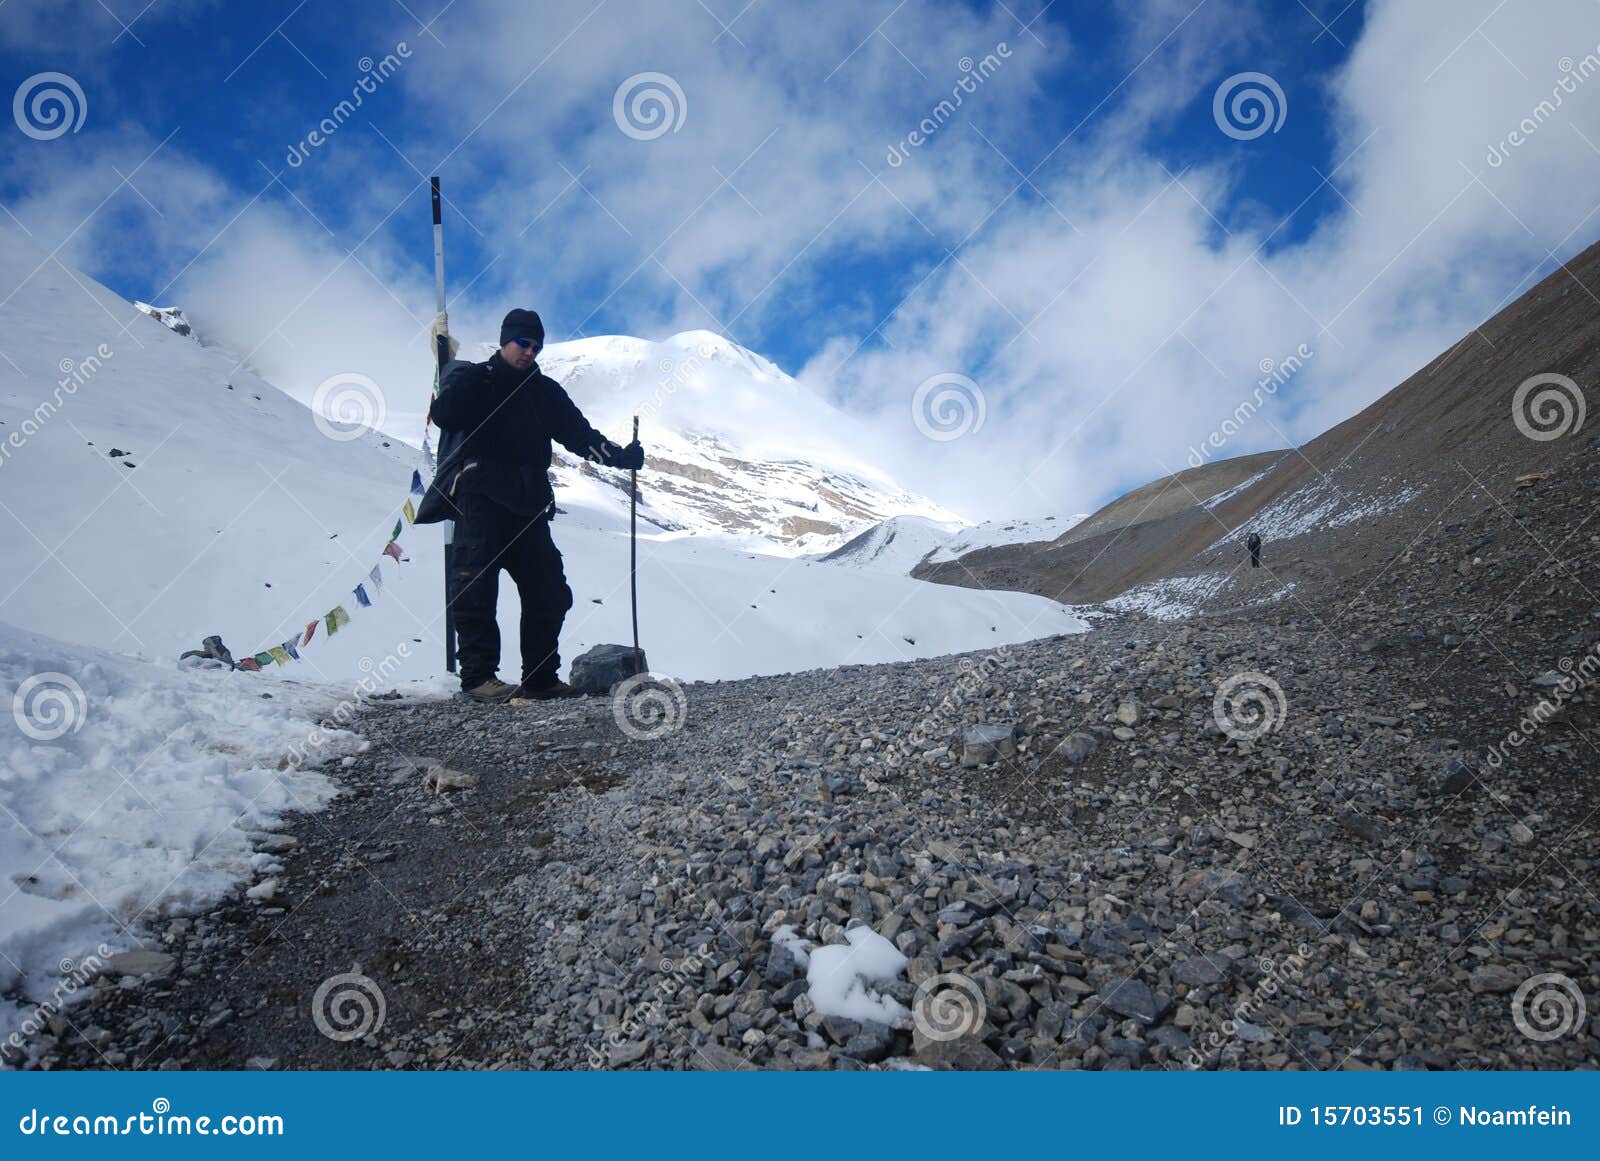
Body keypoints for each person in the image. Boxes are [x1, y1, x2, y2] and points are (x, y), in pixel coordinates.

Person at [415, 308, 644, 703]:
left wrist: (620, 457)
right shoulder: (478, 379)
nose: (529, 352)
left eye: (536, 346)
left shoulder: (545, 392)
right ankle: (478, 678)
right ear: (506, 340)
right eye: (523, 343)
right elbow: (445, 416)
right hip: (480, 499)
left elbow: (579, 435)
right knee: (475, 588)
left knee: (550, 591)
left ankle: (540, 678)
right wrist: (460, 378)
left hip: (529, 506)